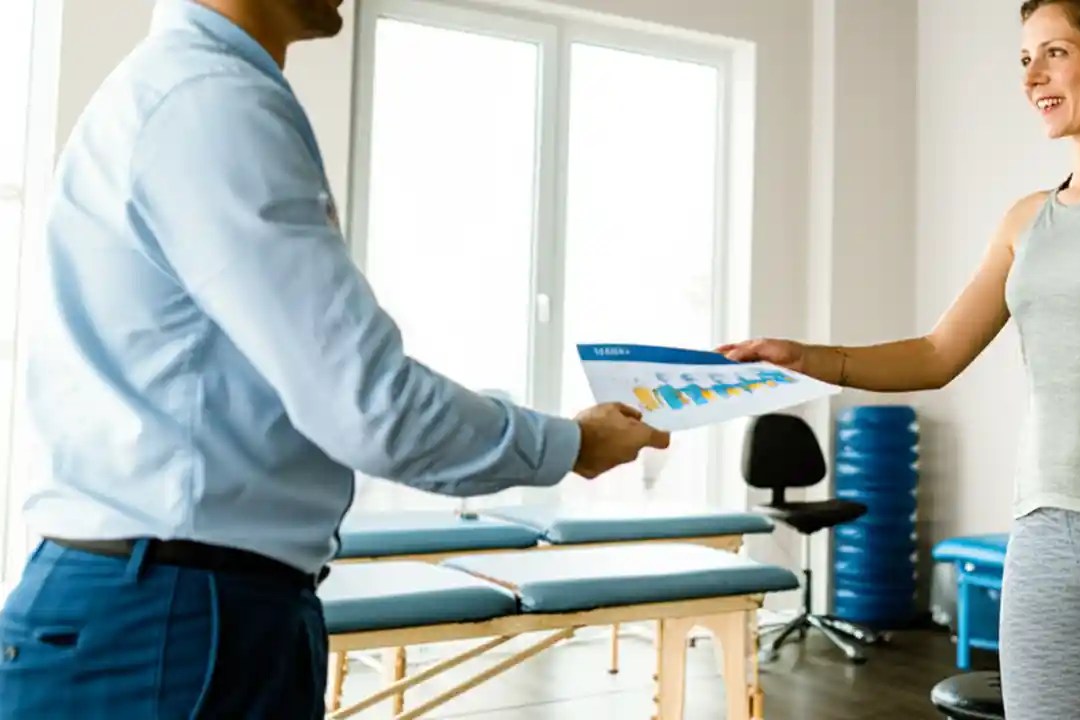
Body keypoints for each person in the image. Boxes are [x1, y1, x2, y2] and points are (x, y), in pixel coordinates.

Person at [0, 0, 669, 717]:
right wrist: (571, 443)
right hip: (174, 620)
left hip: (187, 603)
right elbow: (368, 405)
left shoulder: (185, 92)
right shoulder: (211, 102)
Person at [722, 0, 1080, 717]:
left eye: (1055, 53)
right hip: (1040, 537)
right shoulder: (1024, 220)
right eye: (1023, 59)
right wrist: (804, 357)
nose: (1032, 75)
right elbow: (937, 353)